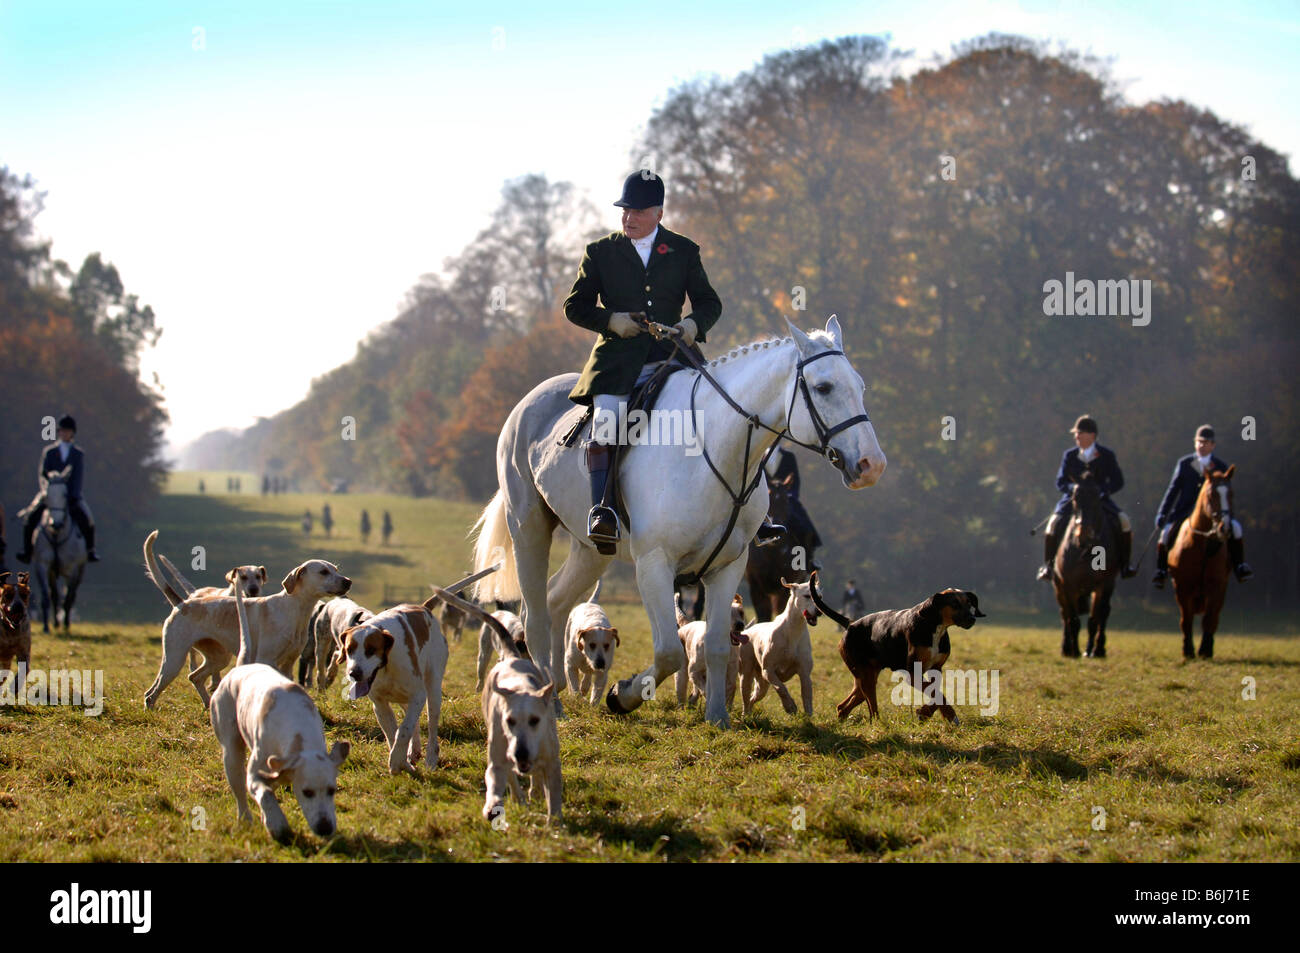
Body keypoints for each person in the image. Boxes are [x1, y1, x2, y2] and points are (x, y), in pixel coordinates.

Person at [564, 169, 782, 552]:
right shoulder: (600, 252)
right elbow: (575, 306)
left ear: (659, 213)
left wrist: (692, 326)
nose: (628, 217)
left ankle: (754, 513)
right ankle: (603, 510)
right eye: (624, 210)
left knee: (731, 414)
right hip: (616, 361)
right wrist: (610, 320)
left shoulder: (683, 250)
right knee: (608, 423)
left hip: (675, 354)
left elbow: (710, 303)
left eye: (637, 211)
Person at [1036, 415, 1135, 582]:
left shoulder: (1106, 455)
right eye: (1076, 434)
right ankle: (1049, 566)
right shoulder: (1069, 455)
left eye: (1080, 433)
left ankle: (1124, 565)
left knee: (1124, 521)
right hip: (1074, 501)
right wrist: (1072, 489)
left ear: (1092, 435)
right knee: (1053, 523)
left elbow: (1118, 481)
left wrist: (1102, 492)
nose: (1076, 436)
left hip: (1099, 502)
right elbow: (1060, 481)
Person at [1152, 425, 1253, 587]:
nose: (1201, 445)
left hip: (1214, 514)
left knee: (1236, 528)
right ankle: (1161, 570)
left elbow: (1226, 495)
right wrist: (1162, 512)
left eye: (1205, 442)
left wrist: (1227, 514)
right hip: (1185, 512)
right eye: (1198, 442)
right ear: (1194, 443)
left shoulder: (1220, 466)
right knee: (1165, 534)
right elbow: (1173, 490)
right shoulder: (1185, 463)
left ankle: (1240, 566)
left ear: (1213, 445)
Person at [15, 415, 100, 563]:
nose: (64, 433)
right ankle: (27, 551)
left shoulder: (77, 454)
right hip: (50, 495)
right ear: (58, 432)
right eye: (62, 431)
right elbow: (42, 475)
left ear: (72, 433)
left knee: (88, 519)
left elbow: (77, 477)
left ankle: (90, 551)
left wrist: (72, 495)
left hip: (71, 496)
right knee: (30, 517)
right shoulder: (49, 452)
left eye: (67, 431)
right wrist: (46, 493)